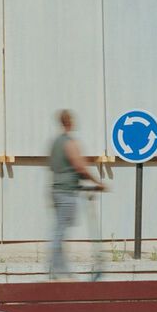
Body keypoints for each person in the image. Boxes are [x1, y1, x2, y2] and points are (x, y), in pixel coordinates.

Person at [46, 111, 107, 280]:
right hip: (66, 192)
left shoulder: (55, 143)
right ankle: (57, 269)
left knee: (60, 229)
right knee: (60, 231)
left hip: (57, 190)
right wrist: (97, 182)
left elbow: (53, 166)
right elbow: (80, 167)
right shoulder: (69, 143)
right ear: (70, 122)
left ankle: (57, 268)